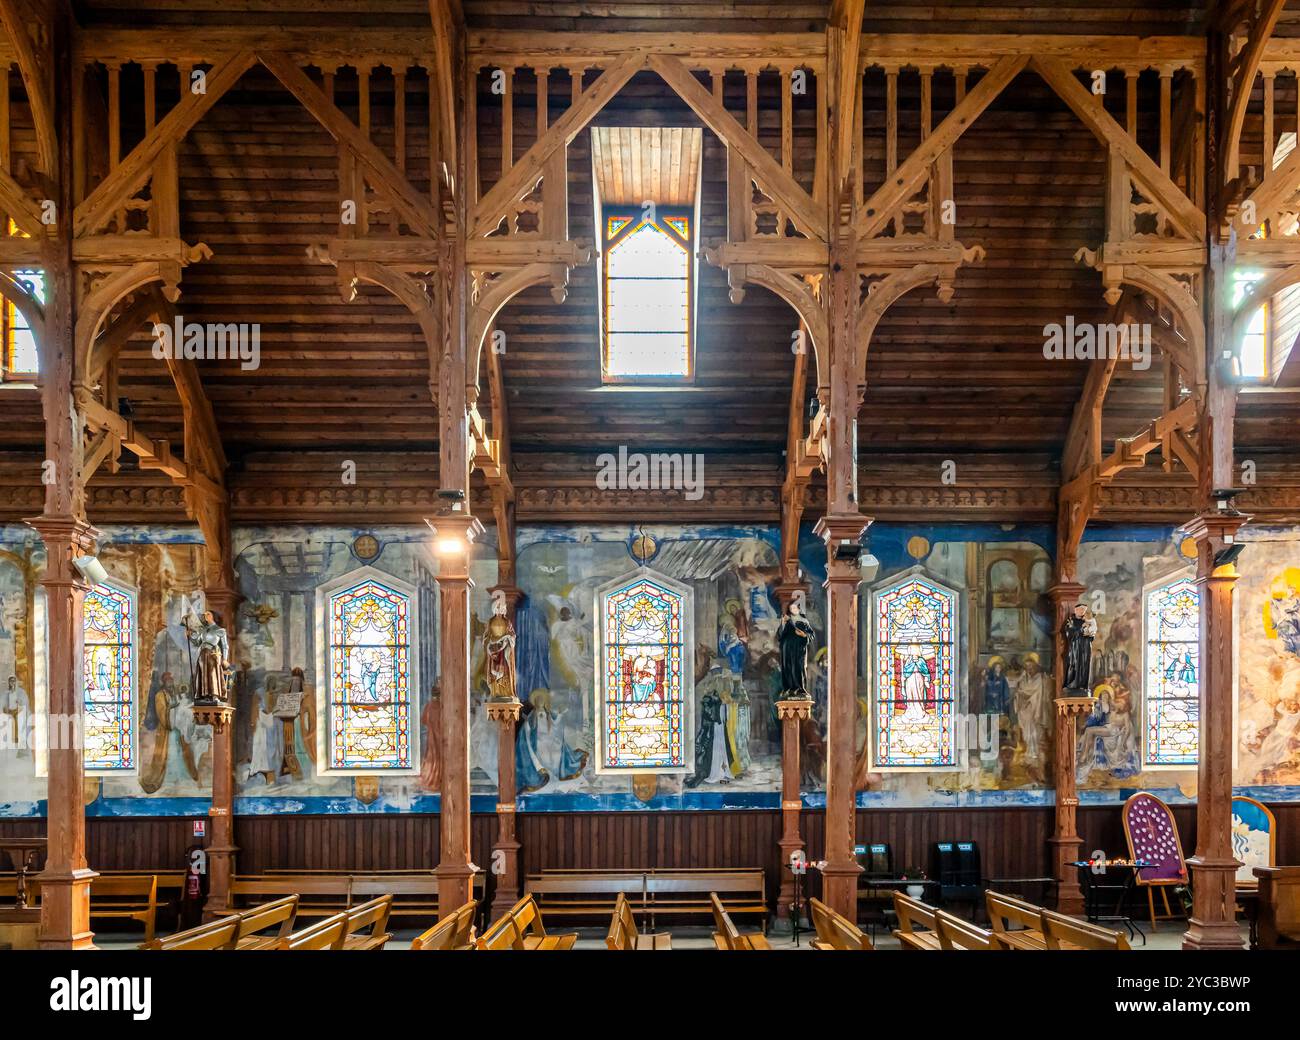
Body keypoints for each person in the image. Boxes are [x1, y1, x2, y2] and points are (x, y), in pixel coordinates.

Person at [183, 609, 230, 704]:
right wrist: (190, 636)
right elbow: (197, 642)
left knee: (213, 674)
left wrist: (224, 659)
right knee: (203, 674)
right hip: (202, 654)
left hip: (213, 654)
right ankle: (204, 695)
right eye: (204, 614)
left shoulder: (220, 630)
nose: (205, 616)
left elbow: (225, 646)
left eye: (208, 614)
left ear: (213, 616)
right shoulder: (203, 630)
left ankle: (214, 696)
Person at [1013, 652, 1050, 773]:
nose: (1029, 668)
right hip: (1025, 709)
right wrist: (1020, 687)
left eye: (1031, 666)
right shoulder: (1025, 677)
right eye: (1027, 666)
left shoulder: (1039, 678)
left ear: (1035, 666)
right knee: (1026, 732)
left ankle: (1033, 754)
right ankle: (1029, 752)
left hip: (1035, 708)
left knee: (1034, 731)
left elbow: (1031, 691)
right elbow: (1020, 689)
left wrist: (1022, 692)